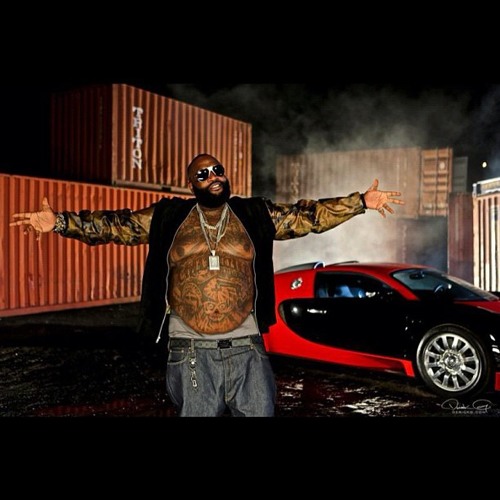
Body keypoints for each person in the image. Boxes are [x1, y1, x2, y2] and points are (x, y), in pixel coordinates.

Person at [10, 153, 404, 417]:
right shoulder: (168, 217)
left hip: (247, 347)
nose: (213, 176)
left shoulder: (254, 212)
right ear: (191, 183)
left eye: (217, 170)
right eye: (203, 174)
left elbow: (308, 216)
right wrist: (59, 222)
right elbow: (116, 225)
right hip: (190, 349)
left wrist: (360, 202)